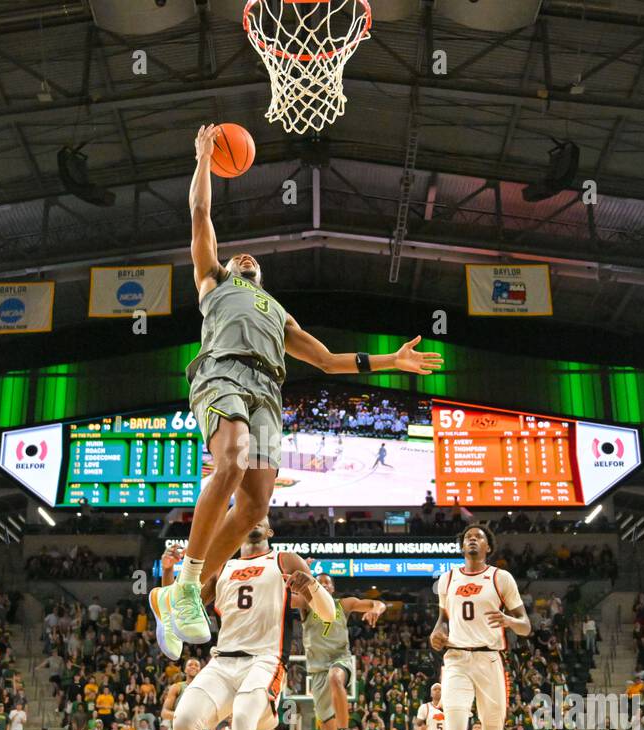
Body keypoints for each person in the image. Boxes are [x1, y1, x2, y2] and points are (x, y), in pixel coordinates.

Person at [146, 124, 442, 659]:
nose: (246, 258)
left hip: (267, 390)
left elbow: (326, 359)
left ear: (262, 277)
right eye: (241, 258)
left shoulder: (279, 313)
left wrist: (390, 361)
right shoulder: (214, 281)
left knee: (257, 503)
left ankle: (178, 593)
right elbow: (199, 216)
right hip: (223, 372)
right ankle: (189, 580)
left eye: (252, 261)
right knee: (230, 463)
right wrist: (201, 160)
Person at [168, 517, 327, 730]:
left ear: (269, 531)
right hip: (223, 662)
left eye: (262, 517)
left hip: (265, 661)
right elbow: (181, 613)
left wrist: (312, 587)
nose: (254, 518)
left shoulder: (284, 560)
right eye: (246, 514)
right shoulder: (221, 566)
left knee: (242, 716)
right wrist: (171, 575)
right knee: (182, 722)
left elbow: (329, 614)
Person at [429, 524, 531, 730]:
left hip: (489, 661)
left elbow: (526, 626)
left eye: (479, 536)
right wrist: (437, 632)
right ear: (462, 546)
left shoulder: (501, 579)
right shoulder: (447, 579)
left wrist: (510, 622)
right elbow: (443, 619)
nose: (472, 539)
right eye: (467, 537)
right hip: (456, 659)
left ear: (488, 547)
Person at [289, 572, 384, 730]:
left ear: (332, 588)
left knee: (336, 679)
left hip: (340, 661)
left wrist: (377, 608)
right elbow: (287, 598)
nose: (324, 585)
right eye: (319, 581)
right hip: (316, 671)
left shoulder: (345, 604)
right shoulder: (306, 604)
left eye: (328, 582)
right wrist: (296, 576)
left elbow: (378, 603)